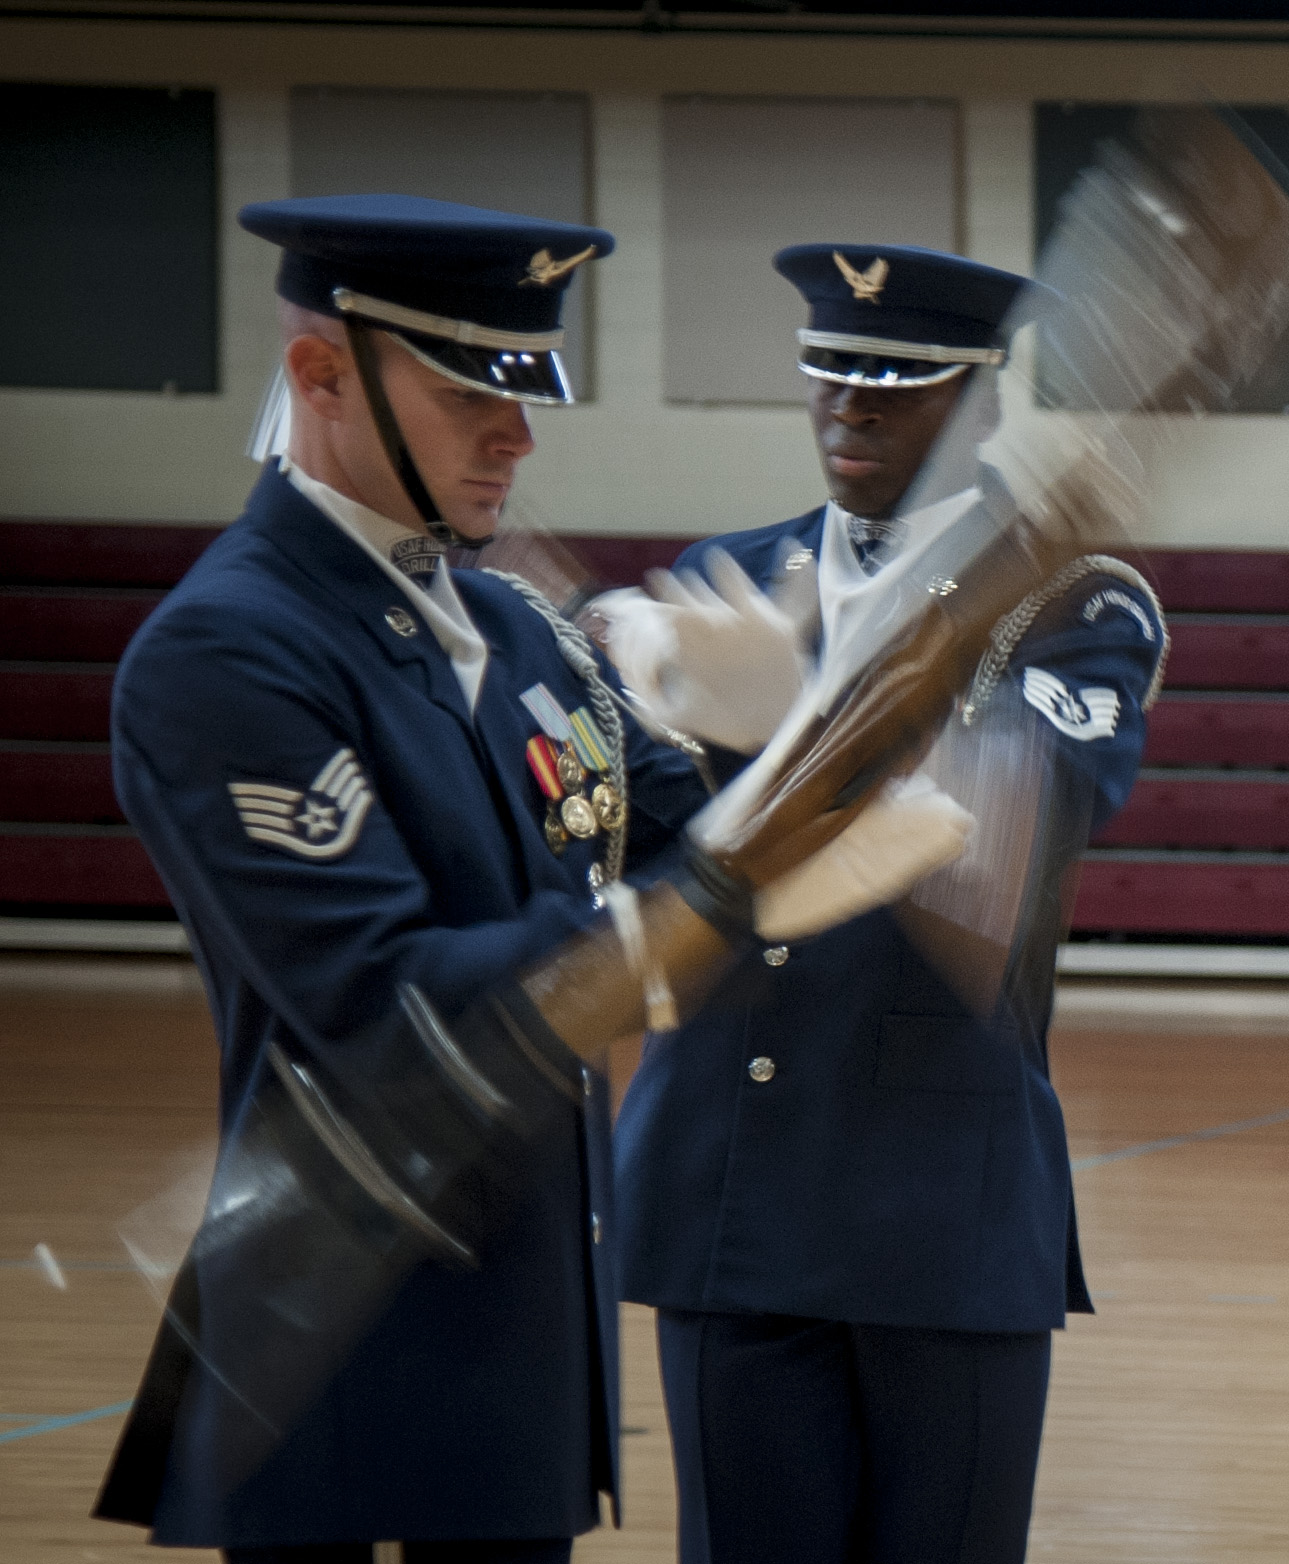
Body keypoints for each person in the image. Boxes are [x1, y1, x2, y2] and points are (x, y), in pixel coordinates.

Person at [94, 195, 951, 1564]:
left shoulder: (512, 627)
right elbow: (385, 1000)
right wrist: (725, 880)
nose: (519, 431)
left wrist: (796, 734)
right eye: (467, 388)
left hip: (523, 1333)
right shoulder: (226, 652)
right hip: (339, 1355)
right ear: (320, 373)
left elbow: (699, 850)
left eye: (526, 384)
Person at [603, 243, 1159, 1564]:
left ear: (981, 404)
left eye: (897, 384)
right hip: (733, 1180)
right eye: (832, 377)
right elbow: (659, 864)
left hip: (938, 1208)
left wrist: (792, 710)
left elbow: (1019, 833)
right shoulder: (727, 579)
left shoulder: (1068, 603)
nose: (850, 407)